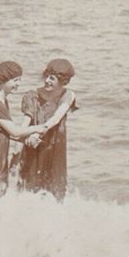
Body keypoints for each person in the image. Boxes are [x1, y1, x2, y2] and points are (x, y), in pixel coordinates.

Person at [0, 61, 48, 195]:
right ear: (3, 80)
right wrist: (39, 128)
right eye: (15, 80)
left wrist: (25, 139)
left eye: (19, 80)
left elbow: (4, 132)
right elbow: (14, 131)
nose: (18, 84)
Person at [16, 58, 77, 201]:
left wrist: (38, 132)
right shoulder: (31, 96)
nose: (47, 81)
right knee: (29, 187)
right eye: (46, 76)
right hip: (32, 143)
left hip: (54, 145)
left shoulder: (68, 95)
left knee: (55, 187)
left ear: (63, 81)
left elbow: (55, 119)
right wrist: (17, 148)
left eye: (52, 78)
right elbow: (25, 123)